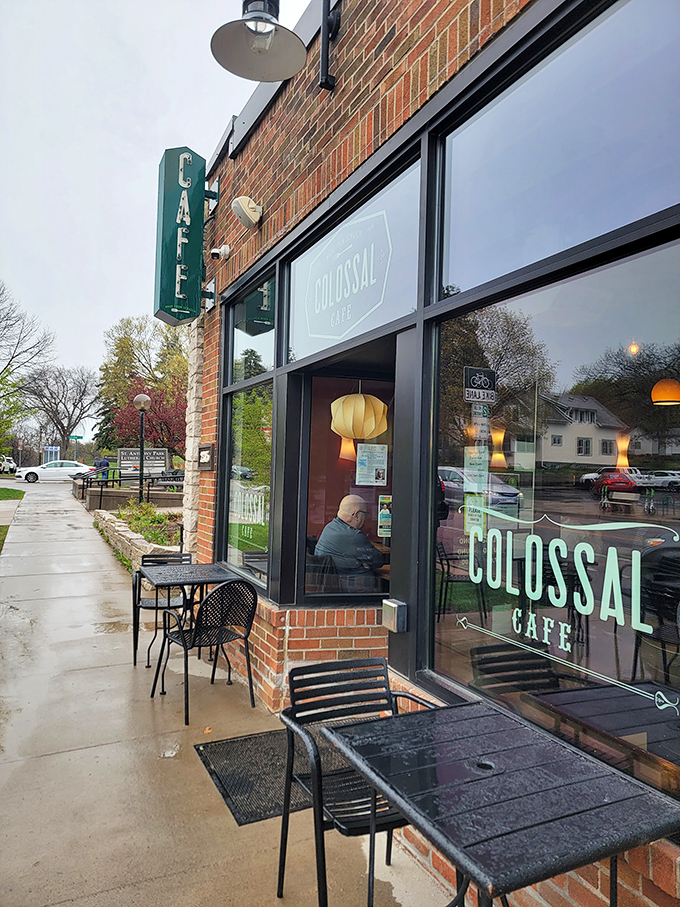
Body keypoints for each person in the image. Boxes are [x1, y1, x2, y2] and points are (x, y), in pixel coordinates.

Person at [315, 495, 385, 591]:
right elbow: (378, 561)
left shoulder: (329, 527)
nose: (365, 518)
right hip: (358, 592)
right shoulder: (354, 536)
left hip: (337, 588)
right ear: (355, 515)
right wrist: (363, 562)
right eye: (365, 514)